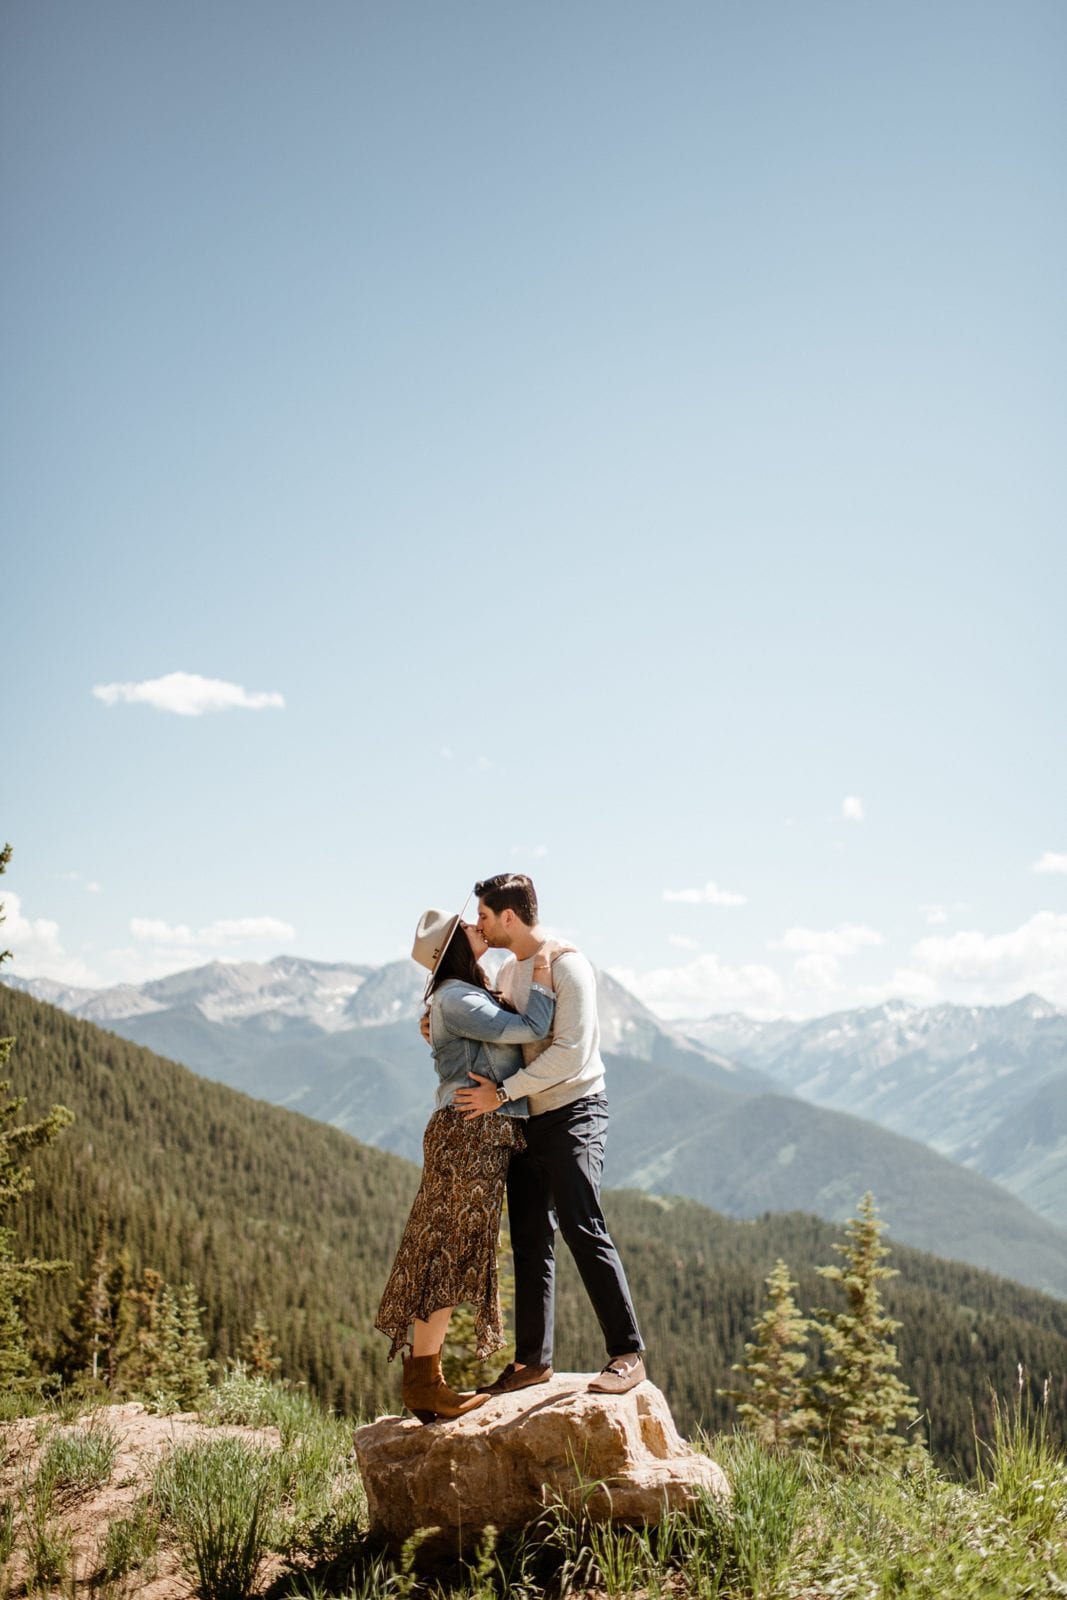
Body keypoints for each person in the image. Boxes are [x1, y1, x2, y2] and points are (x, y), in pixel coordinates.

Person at [453, 873, 646, 1396]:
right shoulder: (513, 968)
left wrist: (502, 1092)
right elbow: (511, 1029)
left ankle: (627, 1356)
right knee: (531, 1237)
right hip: (528, 1118)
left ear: (509, 917)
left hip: (577, 1110)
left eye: (486, 917)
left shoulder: (569, 966)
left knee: (584, 1225)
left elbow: (571, 1053)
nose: (480, 926)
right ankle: (532, 1362)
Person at [375, 904, 563, 1423]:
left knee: (443, 1254)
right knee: (447, 1256)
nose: (478, 927)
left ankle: (424, 1383)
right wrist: (543, 969)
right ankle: (425, 1384)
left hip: (469, 1135)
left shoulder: (458, 996)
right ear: (454, 946)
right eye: (468, 928)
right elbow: (533, 1026)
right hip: (469, 1137)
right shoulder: (456, 997)